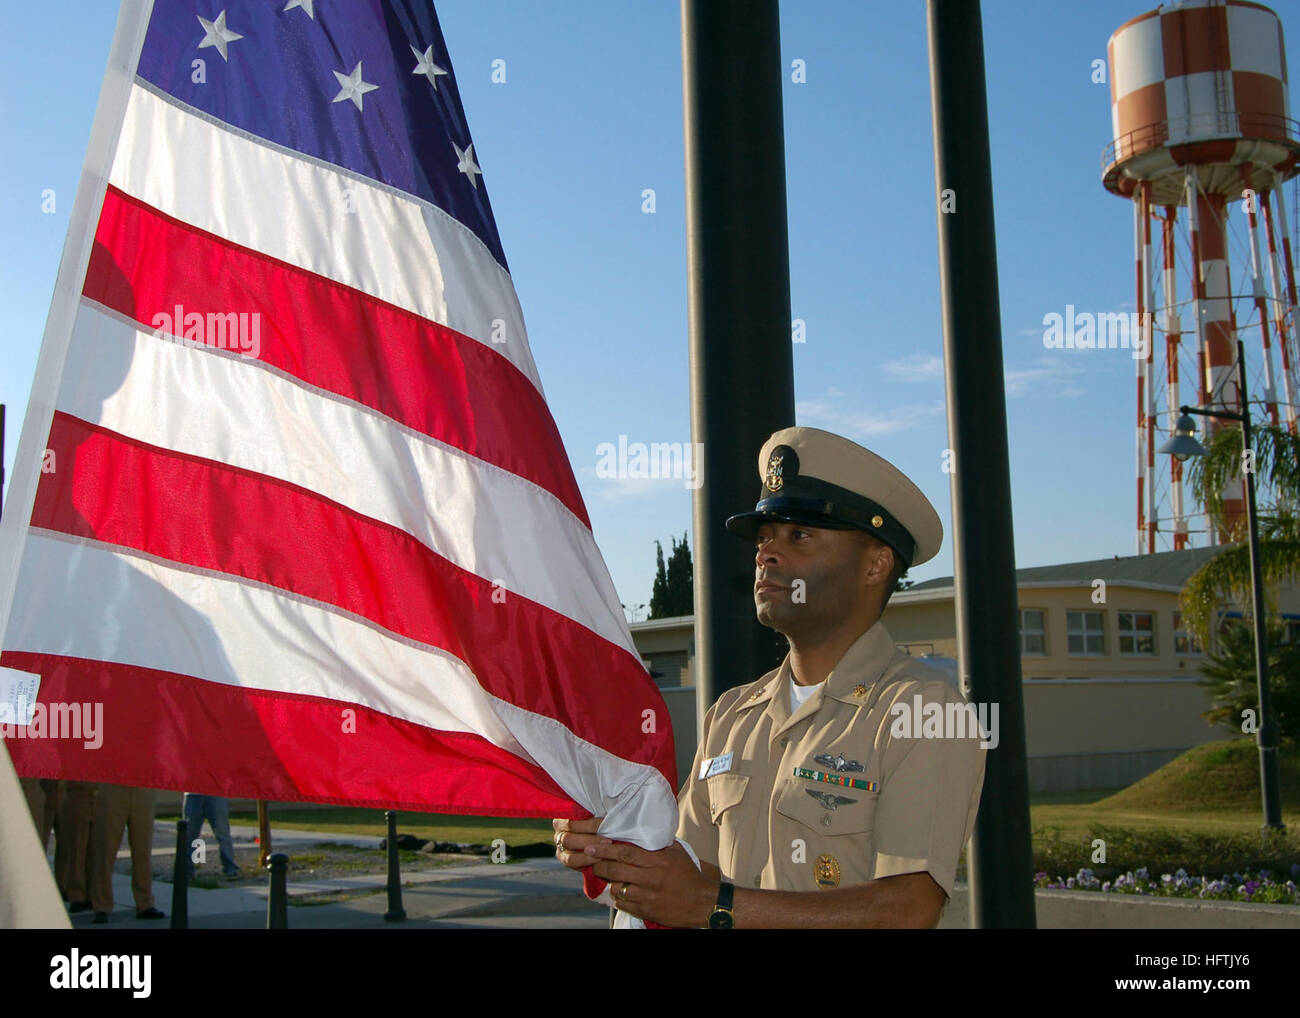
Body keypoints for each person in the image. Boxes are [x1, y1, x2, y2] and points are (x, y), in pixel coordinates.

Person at [554, 426, 988, 928]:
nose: (766, 553)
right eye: (763, 537)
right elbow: (691, 870)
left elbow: (907, 909)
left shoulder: (922, 710)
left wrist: (716, 907)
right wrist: (609, 842)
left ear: (877, 565)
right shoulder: (733, 714)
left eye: (798, 535)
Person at [89, 783, 164, 922]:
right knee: (105, 851)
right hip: (112, 786)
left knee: (143, 852)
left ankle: (145, 903)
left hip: (142, 788)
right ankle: (101, 905)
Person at [183, 792, 241, 879]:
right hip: (192, 792)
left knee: (222, 832)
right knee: (189, 834)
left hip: (215, 791)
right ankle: (186, 870)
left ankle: (230, 867)